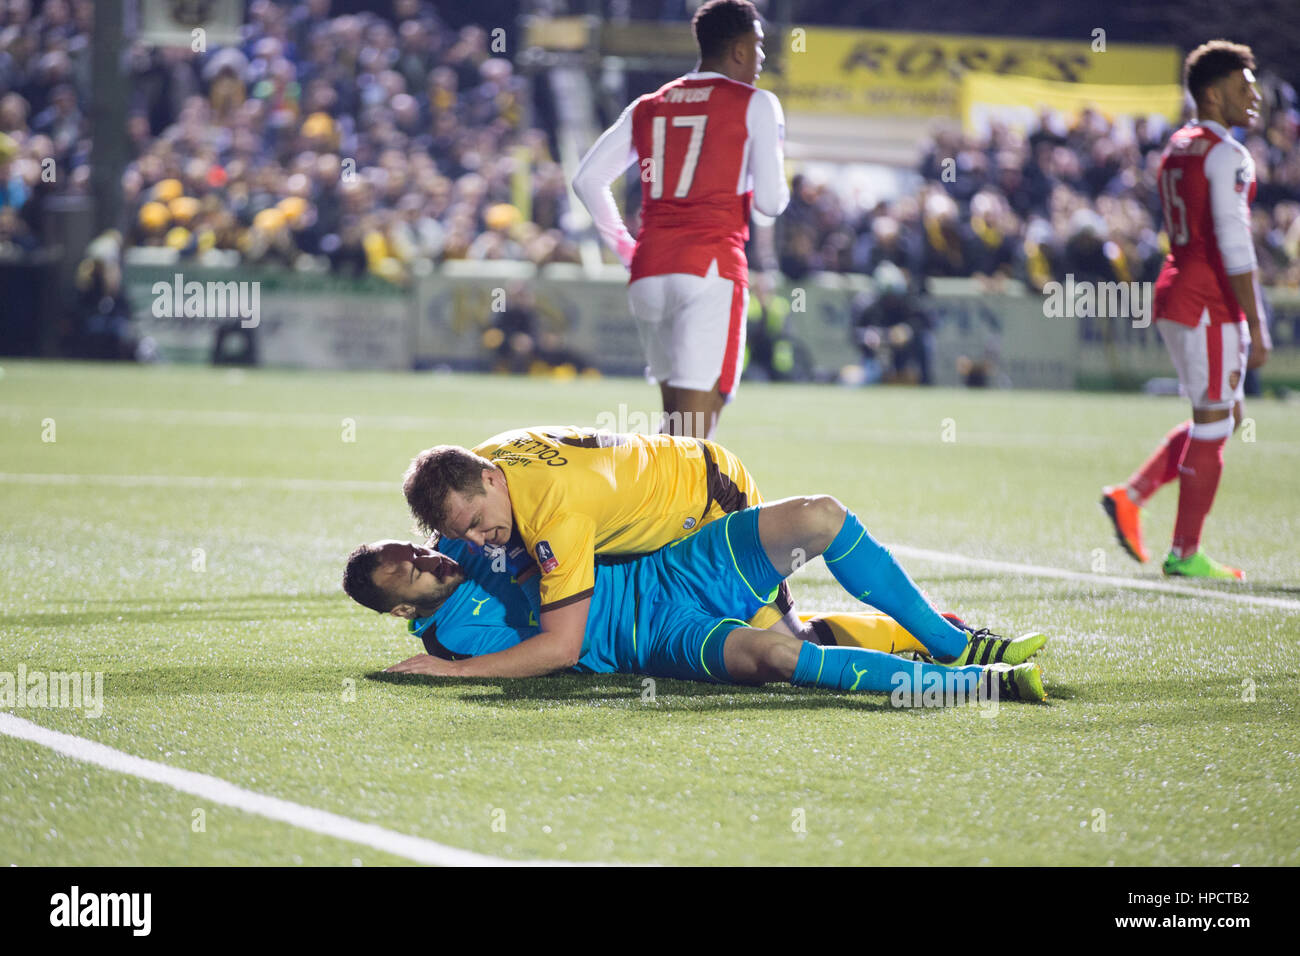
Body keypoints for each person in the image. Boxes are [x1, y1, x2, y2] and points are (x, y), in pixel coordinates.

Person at [402, 428, 1046, 679]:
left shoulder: (552, 518)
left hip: (708, 503)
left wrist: (454, 674)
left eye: (481, 525)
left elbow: (564, 646)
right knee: (780, 647)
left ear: (490, 479)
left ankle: (949, 644)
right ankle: (953, 660)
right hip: (666, 523)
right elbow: (457, 520)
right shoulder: (493, 457)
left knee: (789, 628)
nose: (479, 540)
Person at [343, 498, 1048, 703]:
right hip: (658, 633)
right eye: (408, 573)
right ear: (405, 610)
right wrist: (458, 675)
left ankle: (947, 637)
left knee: (819, 517)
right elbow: (551, 654)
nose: (423, 558)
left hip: (672, 566)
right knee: (777, 654)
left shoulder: (466, 534)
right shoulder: (454, 641)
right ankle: (968, 683)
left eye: (410, 549)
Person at [571, 0, 789, 439]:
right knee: (693, 434)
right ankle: (669, 509)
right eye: (758, 45)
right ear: (740, 49)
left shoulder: (650, 104)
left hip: (650, 270)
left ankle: (661, 505)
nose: (762, 57)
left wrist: (626, 249)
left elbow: (587, 180)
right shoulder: (757, 104)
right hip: (711, 268)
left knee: (674, 424)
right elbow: (771, 203)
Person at [1101, 41, 1271, 581]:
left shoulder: (1177, 145)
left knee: (1221, 415)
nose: (1256, 97)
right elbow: (1233, 240)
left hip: (1179, 288)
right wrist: (1257, 323)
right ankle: (1184, 552)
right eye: (1244, 87)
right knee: (1215, 421)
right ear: (1214, 94)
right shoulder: (1228, 153)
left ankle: (1131, 496)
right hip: (1207, 301)